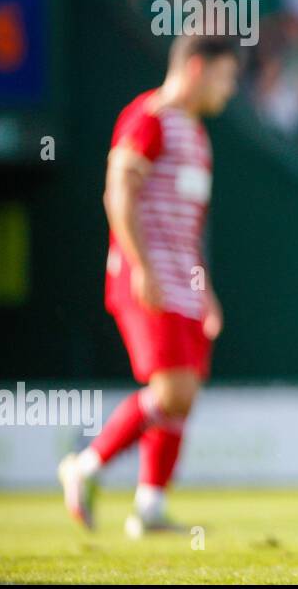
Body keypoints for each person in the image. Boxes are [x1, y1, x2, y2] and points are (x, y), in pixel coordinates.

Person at [58, 33, 239, 536]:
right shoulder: (150, 118)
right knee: (171, 387)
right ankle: (85, 466)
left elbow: (190, 226)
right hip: (148, 275)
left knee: (183, 396)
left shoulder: (197, 136)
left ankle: (151, 506)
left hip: (183, 281)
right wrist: (141, 266)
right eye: (225, 78)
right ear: (198, 68)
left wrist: (206, 290)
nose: (228, 92)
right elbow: (119, 193)